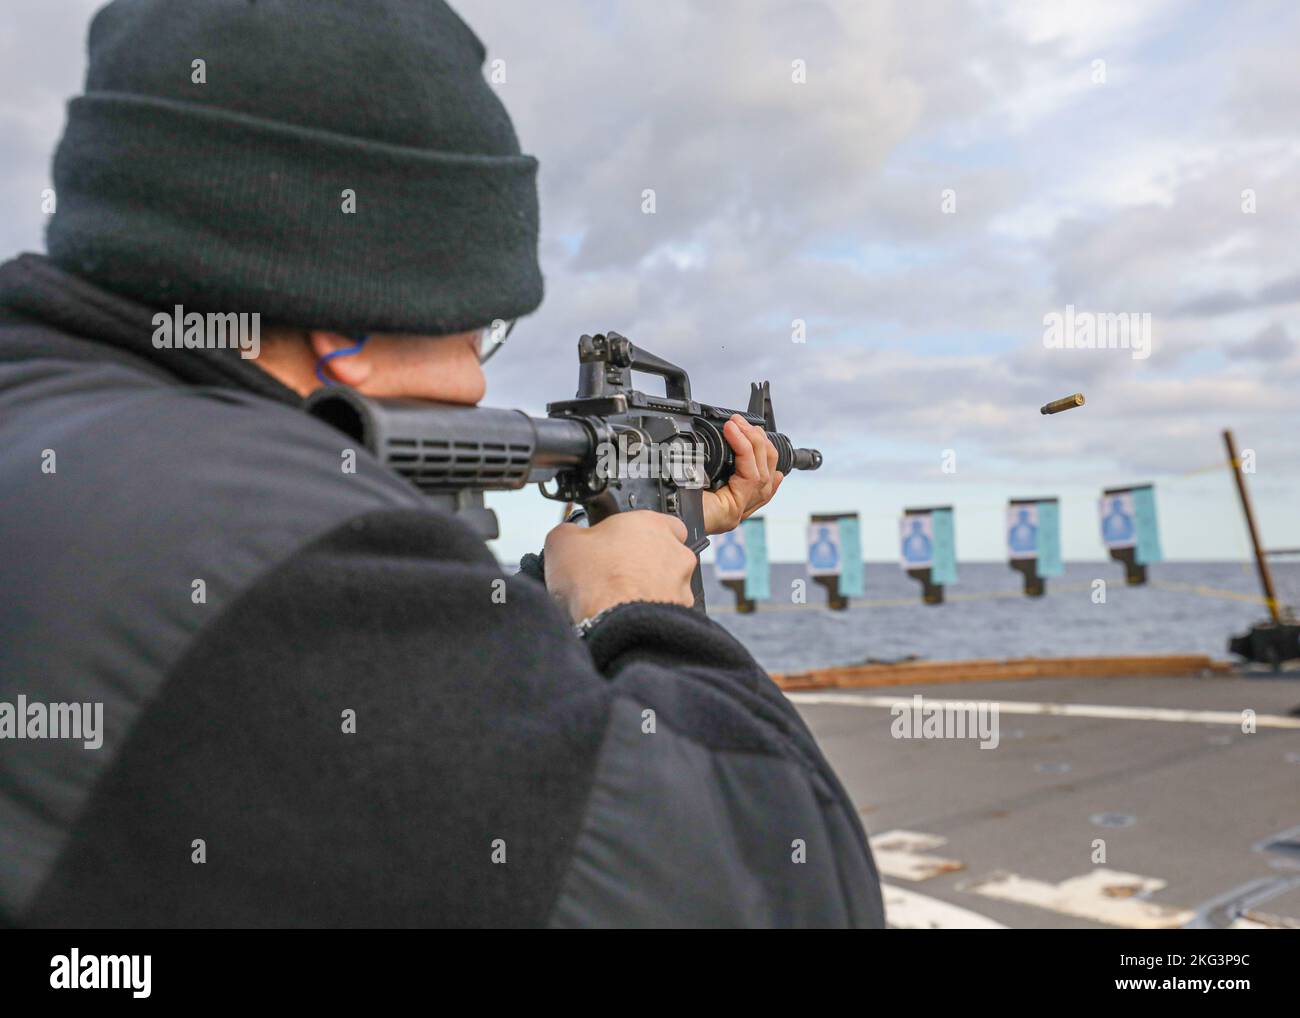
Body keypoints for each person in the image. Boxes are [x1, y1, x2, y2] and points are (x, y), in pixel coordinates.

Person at [0, 0, 883, 928]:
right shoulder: (282, 559)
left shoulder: (66, 438)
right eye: (481, 328)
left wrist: (577, 570)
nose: (473, 381)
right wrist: (645, 605)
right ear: (349, 315)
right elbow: (781, 891)